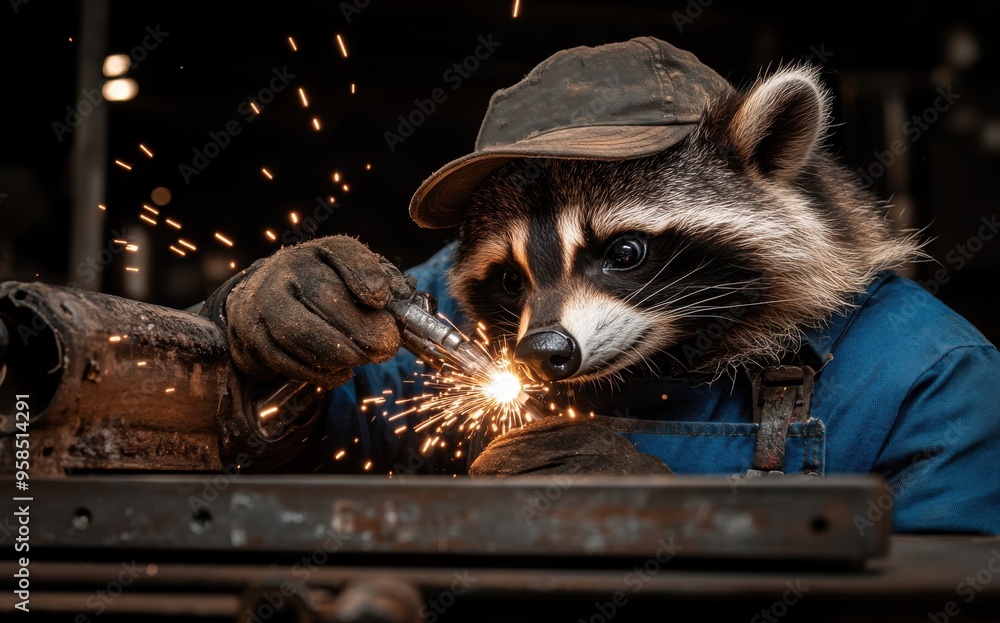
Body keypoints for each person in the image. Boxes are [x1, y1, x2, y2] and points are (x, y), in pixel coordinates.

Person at [202, 37, 1000, 535]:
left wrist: (688, 540)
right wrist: (246, 335)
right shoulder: (436, 312)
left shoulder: (928, 378)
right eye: (514, 278)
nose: (543, 335)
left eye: (621, 253)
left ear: (771, 157)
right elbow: (220, 439)